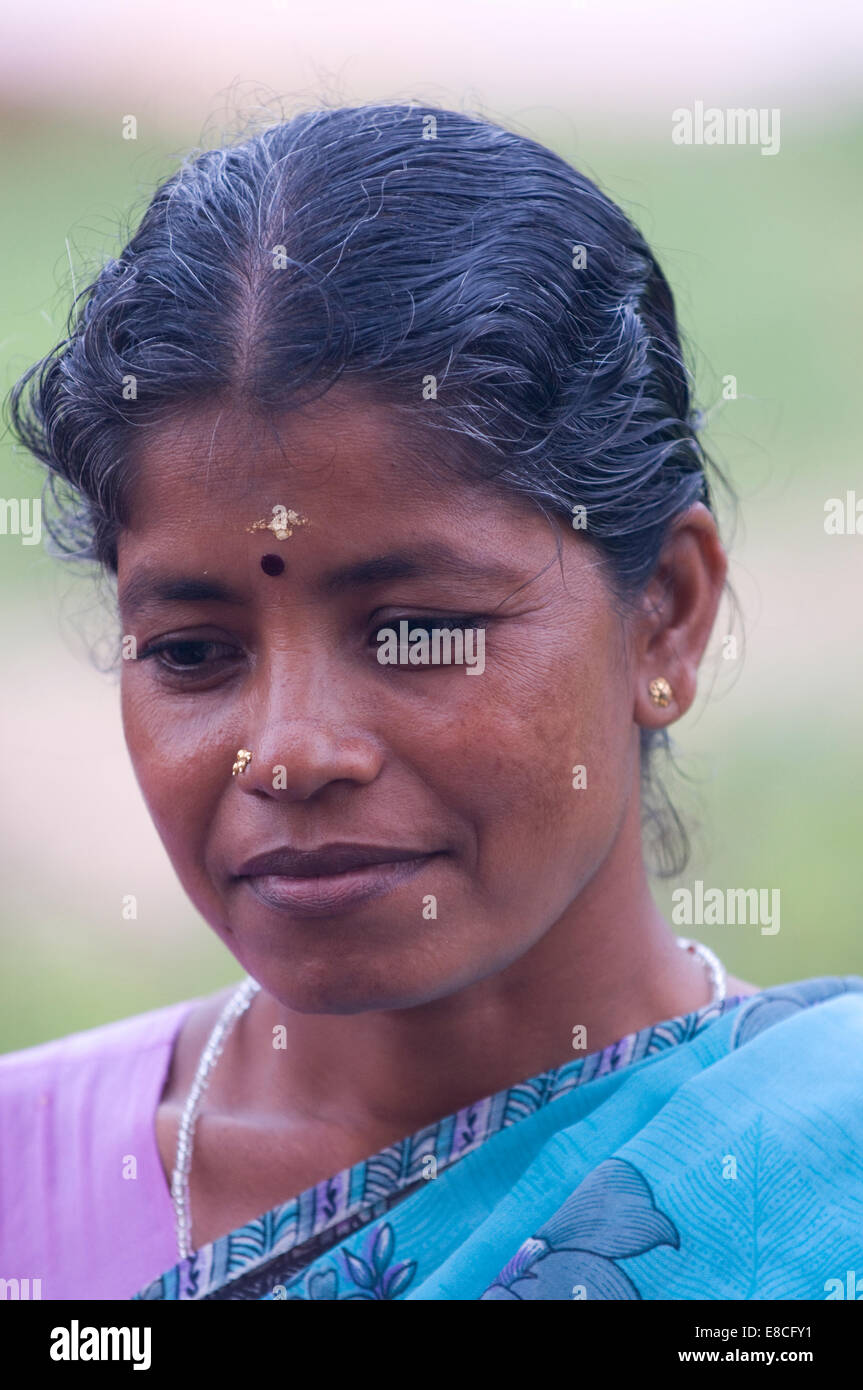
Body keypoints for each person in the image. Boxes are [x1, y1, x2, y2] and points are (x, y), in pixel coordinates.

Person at [3, 103, 861, 1303]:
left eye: (416, 632)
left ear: (663, 613)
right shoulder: (20, 1181)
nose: (289, 751)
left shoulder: (828, 1178)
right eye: (194, 651)